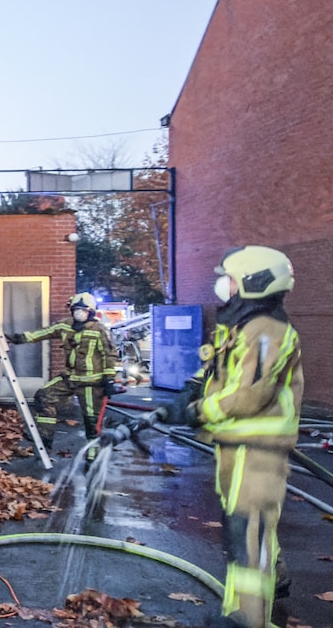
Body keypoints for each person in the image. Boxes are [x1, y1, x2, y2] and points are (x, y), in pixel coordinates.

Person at [129, 245, 303, 628]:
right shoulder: (241, 325)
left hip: (259, 448)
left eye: (230, 279)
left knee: (247, 537)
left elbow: (250, 394)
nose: (222, 286)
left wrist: (195, 413)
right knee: (246, 532)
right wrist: (191, 391)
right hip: (236, 445)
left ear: (254, 283)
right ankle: (254, 603)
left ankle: (248, 619)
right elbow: (219, 373)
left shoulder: (268, 330)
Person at [5, 292, 120, 462]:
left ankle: (92, 450)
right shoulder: (66, 326)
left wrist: (109, 379)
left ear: (91, 312)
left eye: (83, 310)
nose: (79, 313)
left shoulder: (99, 330)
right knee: (44, 396)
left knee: (91, 418)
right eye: (76, 309)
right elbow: (43, 333)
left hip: (91, 382)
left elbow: (109, 354)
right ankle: (45, 439)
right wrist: (17, 338)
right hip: (70, 378)